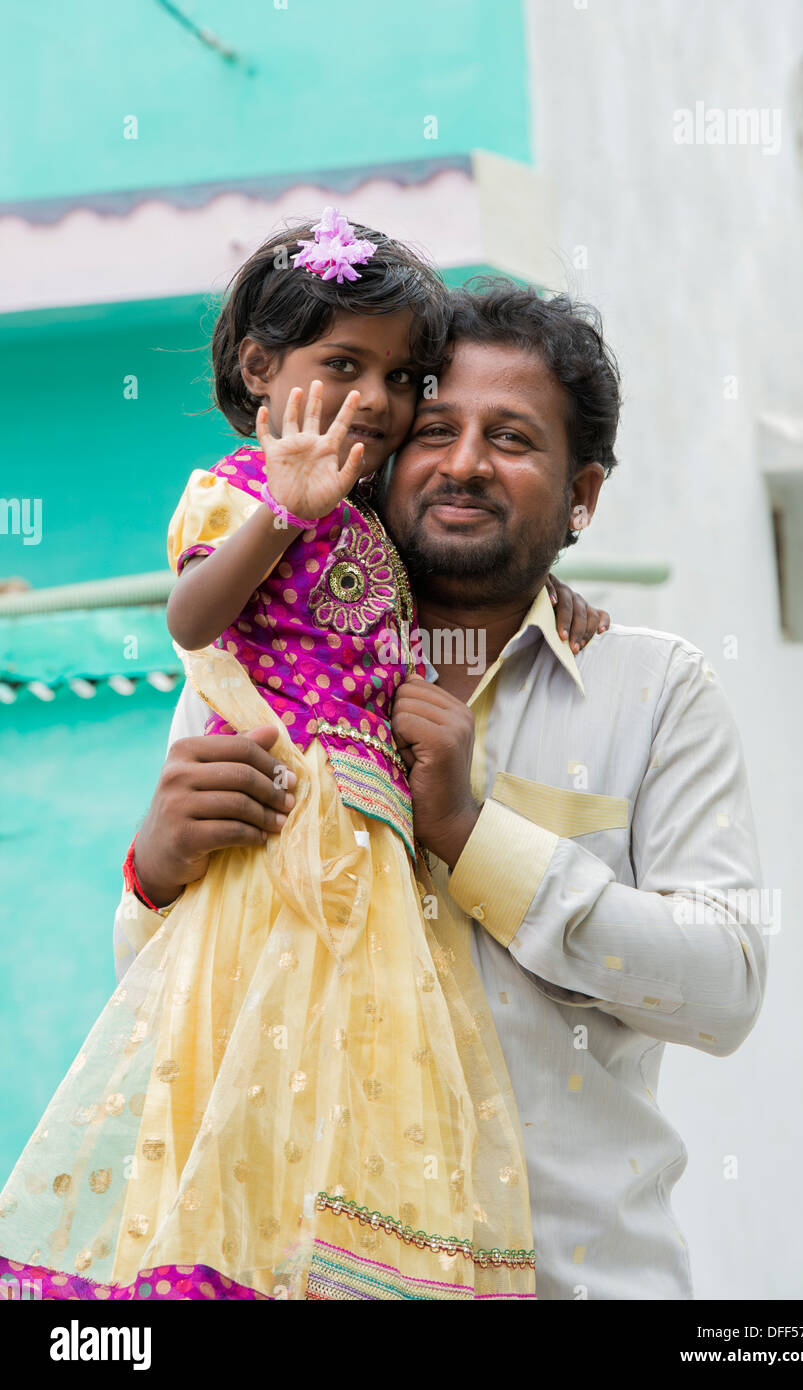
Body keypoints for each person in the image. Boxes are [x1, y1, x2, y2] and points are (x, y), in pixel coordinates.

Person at [111, 281, 768, 1301]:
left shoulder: (651, 691)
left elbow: (724, 986)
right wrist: (155, 871)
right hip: (299, 1272)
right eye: (435, 428)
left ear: (582, 495)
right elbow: (155, 980)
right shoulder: (261, 668)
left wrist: (469, 835)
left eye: (511, 438)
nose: (462, 463)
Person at [0, 218, 604, 1303]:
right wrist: (282, 507)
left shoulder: (363, 516)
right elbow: (193, 619)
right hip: (290, 824)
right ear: (255, 368)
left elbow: (436, 573)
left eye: (398, 375)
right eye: (344, 365)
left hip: (371, 840)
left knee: (367, 1065)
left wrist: (549, 593)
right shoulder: (249, 494)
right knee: (255, 1077)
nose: (376, 398)